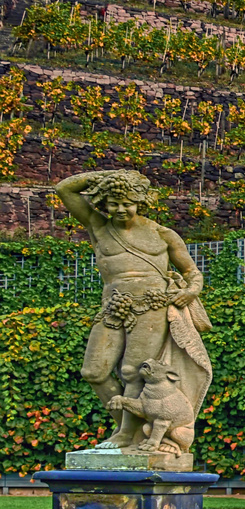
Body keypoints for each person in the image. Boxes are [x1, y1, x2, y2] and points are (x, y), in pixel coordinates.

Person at [56, 170, 212, 452]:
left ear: (141, 201)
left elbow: (192, 272)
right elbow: (65, 189)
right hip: (114, 304)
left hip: (152, 305)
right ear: (104, 203)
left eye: (126, 202)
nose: (119, 209)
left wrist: (189, 292)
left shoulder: (162, 234)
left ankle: (126, 435)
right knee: (94, 371)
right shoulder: (98, 225)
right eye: (113, 203)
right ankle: (126, 425)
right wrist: (111, 177)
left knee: (133, 372)